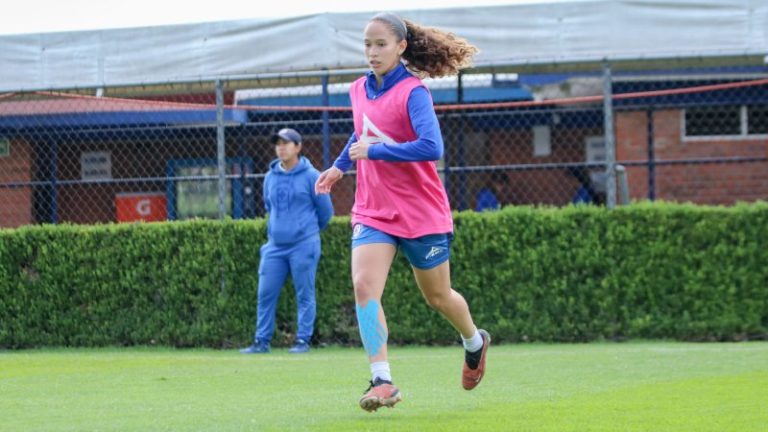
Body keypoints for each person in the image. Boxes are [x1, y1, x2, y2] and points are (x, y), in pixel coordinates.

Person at [314, 12, 490, 412]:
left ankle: (474, 342)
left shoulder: (414, 92)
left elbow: (431, 147)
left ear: (400, 47)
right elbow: (363, 132)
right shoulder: (358, 88)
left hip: (420, 211)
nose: (372, 52)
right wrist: (340, 166)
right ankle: (382, 380)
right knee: (364, 286)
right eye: (367, 45)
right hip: (373, 210)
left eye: (380, 45)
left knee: (438, 296)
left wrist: (374, 153)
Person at [240, 128, 334, 354]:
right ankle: (261, 342)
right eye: (278, 143)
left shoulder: (312, 176)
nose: (281, 147)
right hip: (274, 247)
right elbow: (269, 207)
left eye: (286, 143)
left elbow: (325, 213)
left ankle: (303, 340)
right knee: (265, 294)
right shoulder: (270, 176)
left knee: (304, 293)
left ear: (298, 147)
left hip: (304, 245)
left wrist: (306, 232)